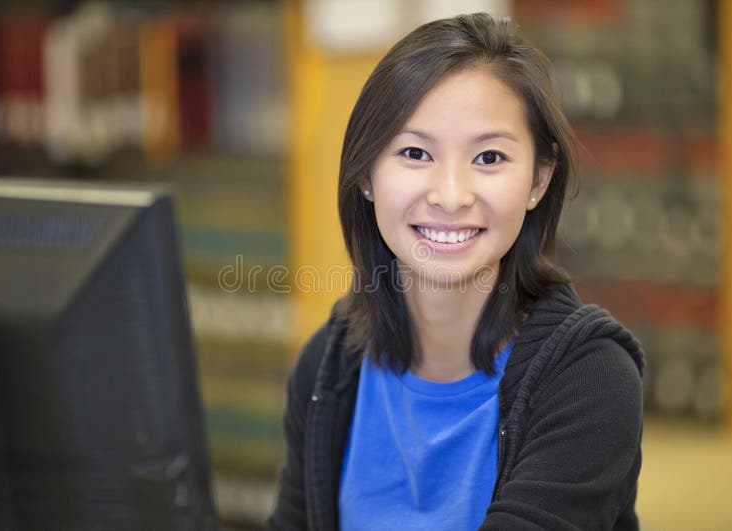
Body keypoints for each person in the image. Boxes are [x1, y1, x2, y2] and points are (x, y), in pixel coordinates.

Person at [268, 12, 644, 531]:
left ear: (539, 179)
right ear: (366, 174)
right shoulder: (328, 367)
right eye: (415, 152)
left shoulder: (591, 378)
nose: (450, 196)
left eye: (489, 157)